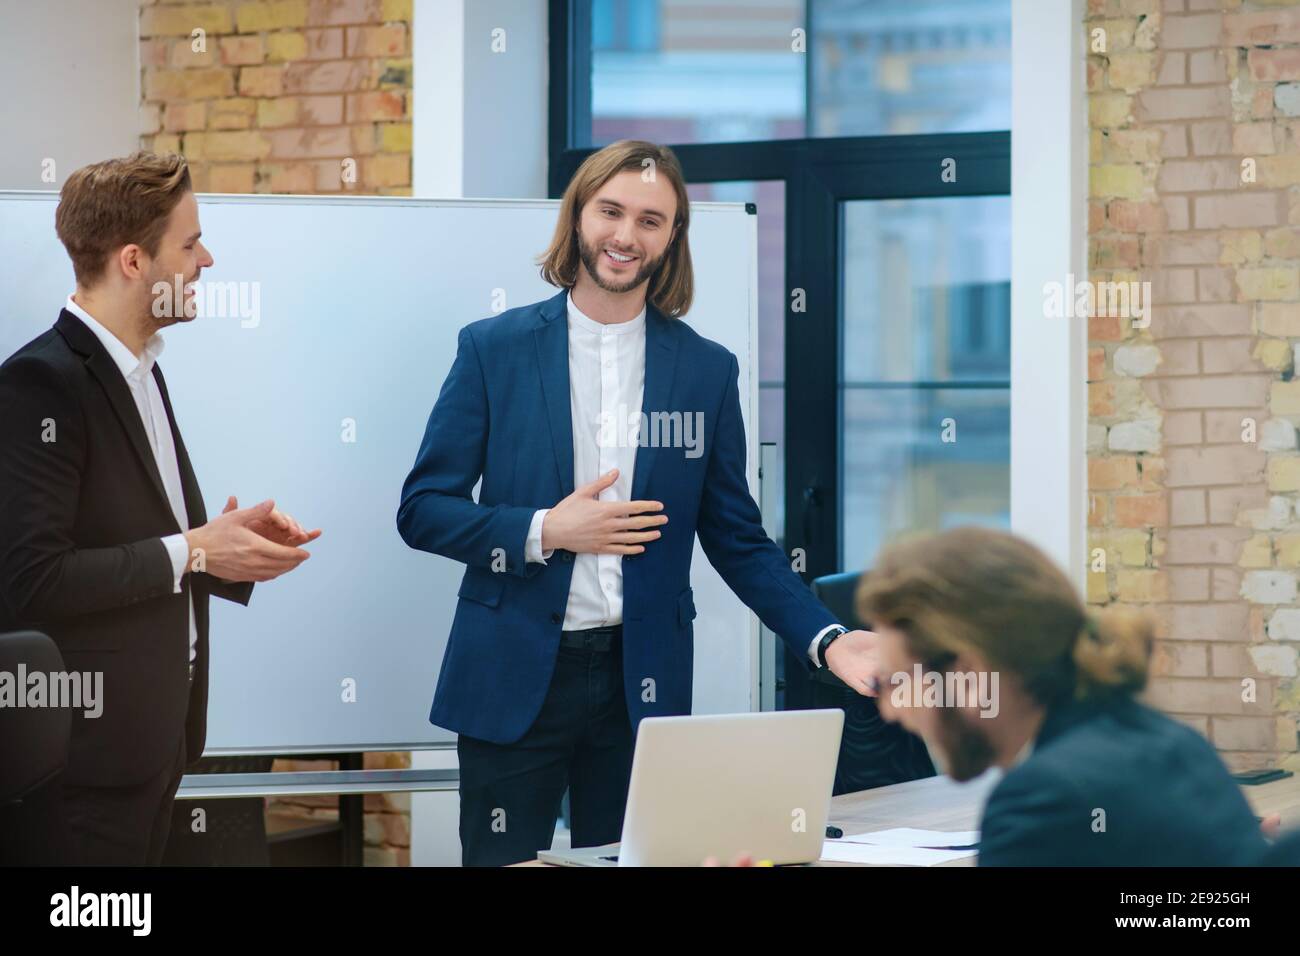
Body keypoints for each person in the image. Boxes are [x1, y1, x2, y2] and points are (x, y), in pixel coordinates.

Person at [397, 140, 879, 866]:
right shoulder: (493, 350)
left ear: (673, 237)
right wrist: (545, 529)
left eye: (651, 220)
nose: (626, 235)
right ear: (579, 218)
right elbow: (423, 507)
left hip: (639, 683)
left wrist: (827, 638)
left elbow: (738, 538)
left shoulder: (706, 371)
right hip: (512, 674)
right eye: (611, 212)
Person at [0, 152, 320, 865]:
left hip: (158, 749)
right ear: (136, 261)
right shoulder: (40, 385)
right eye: (191, 242)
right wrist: (199, 549)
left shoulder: (146, 373)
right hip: (81, 766)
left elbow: (148, 547)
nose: (208, 258)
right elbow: (34, 580)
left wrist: (229, 546)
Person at [856, 526, 1270, 866]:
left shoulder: (1044, 800)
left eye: (896, 683)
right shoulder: (1172, 741)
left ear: (968, 674)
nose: (890, 711)